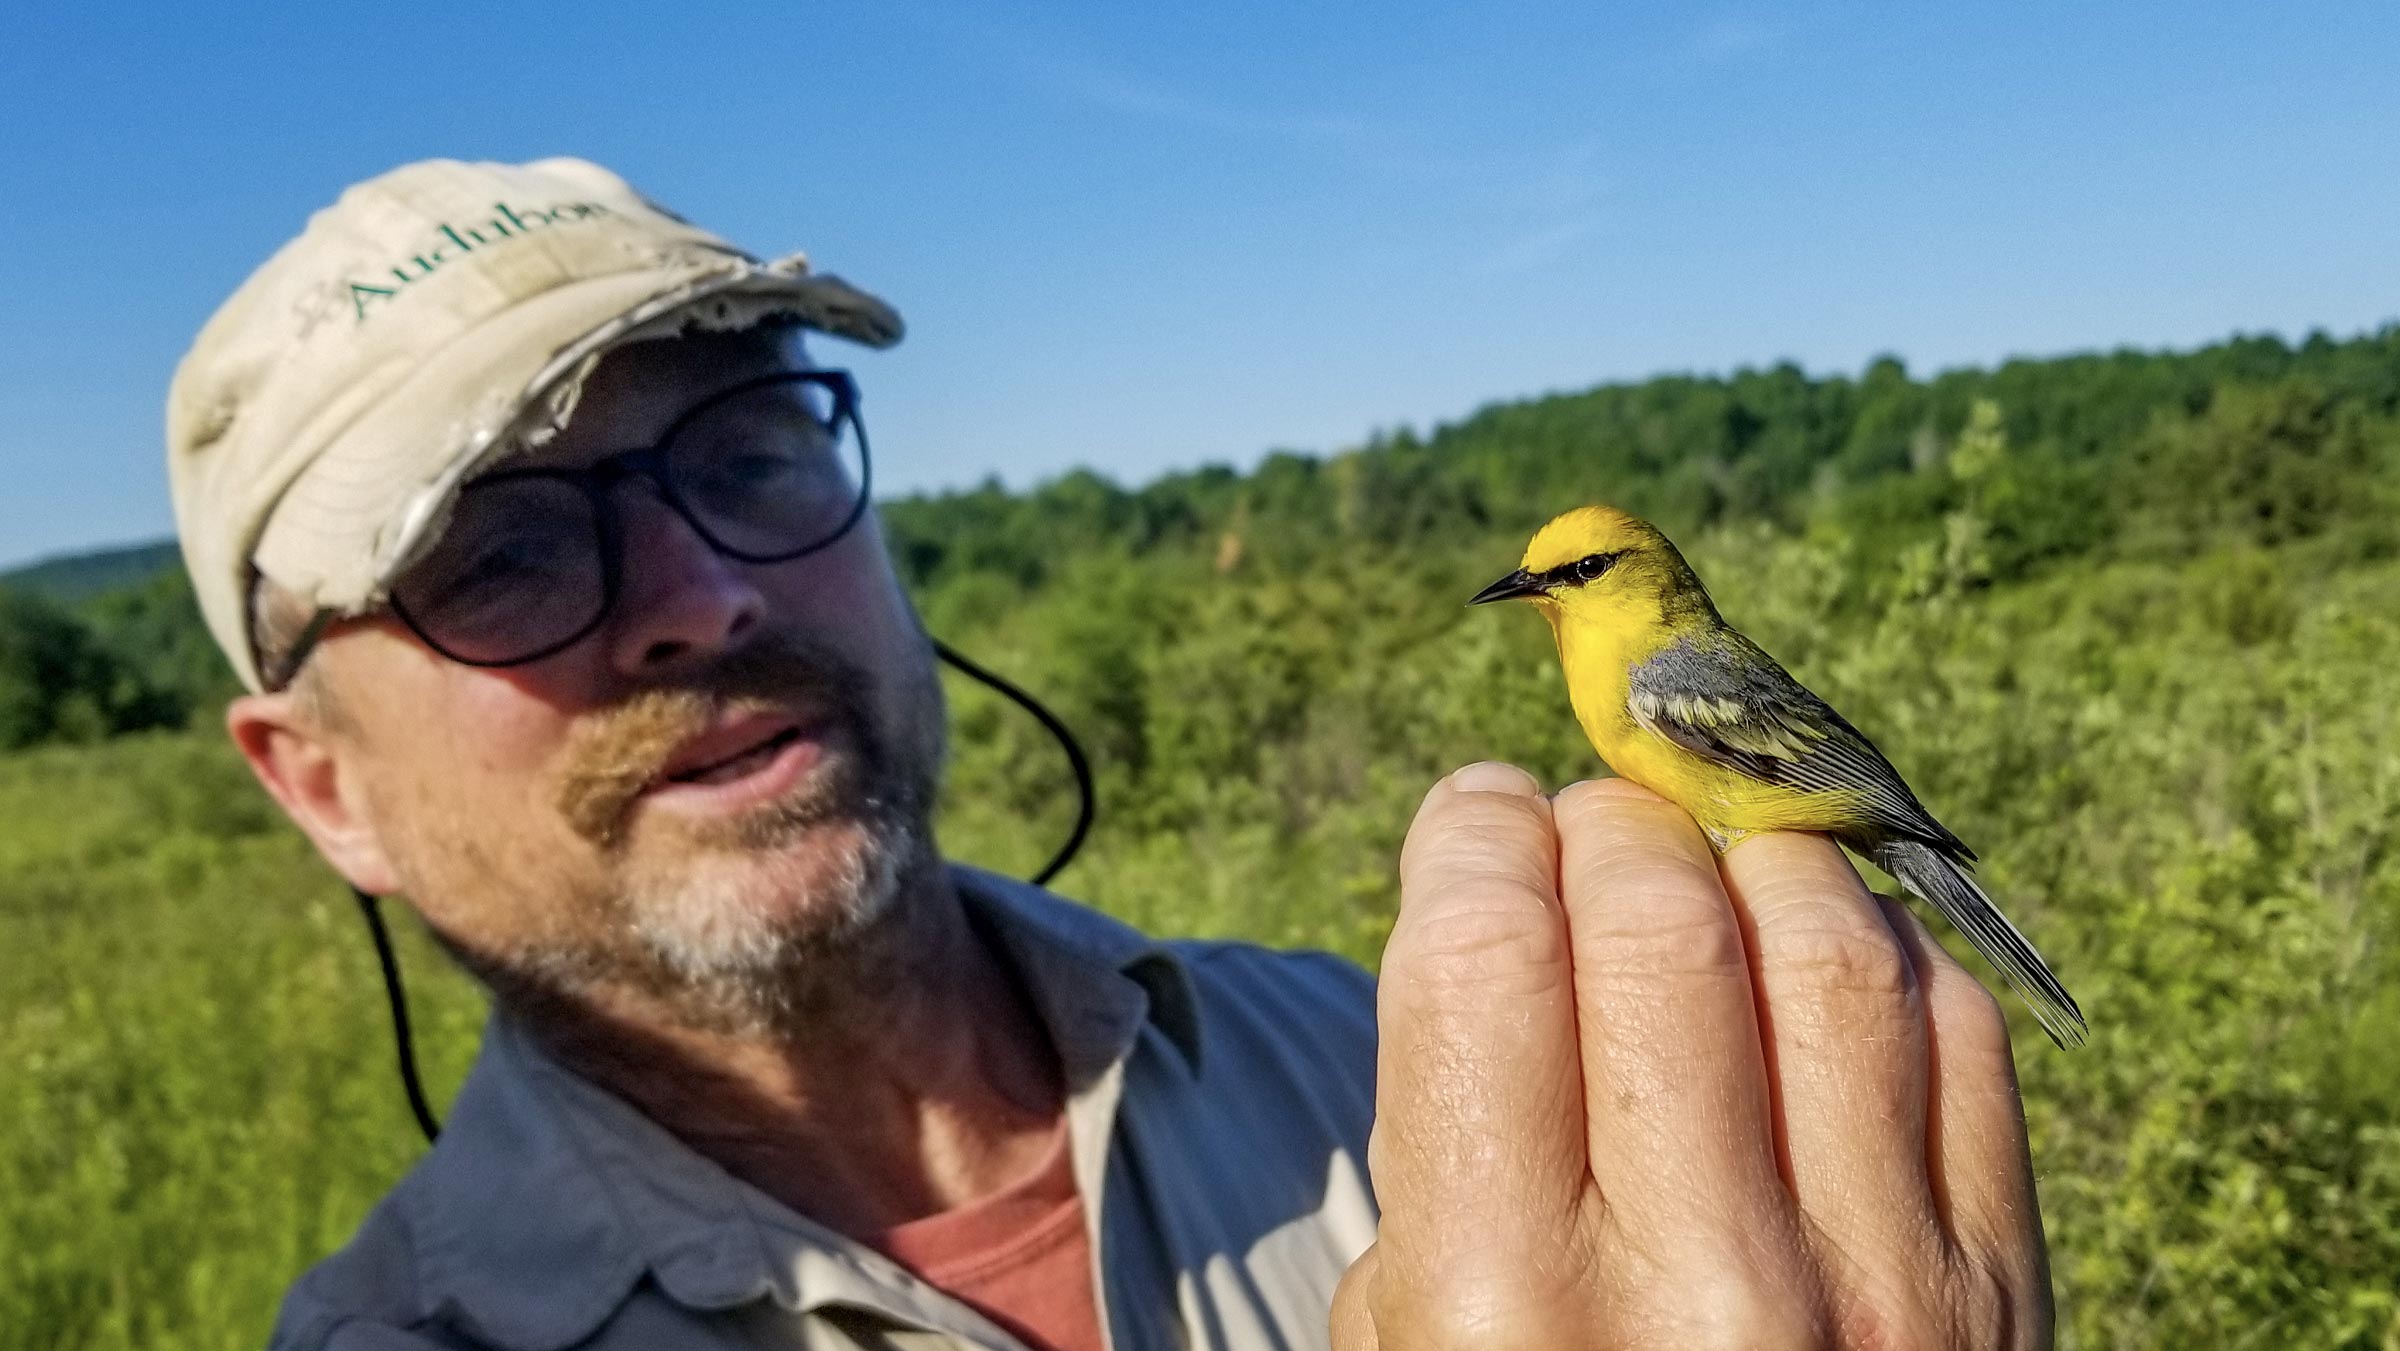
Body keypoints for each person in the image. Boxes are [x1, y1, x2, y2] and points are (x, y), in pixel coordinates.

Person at [169, 157, 2053, 1351]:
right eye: (496, 550)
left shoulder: (1385, 1050)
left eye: (746, 455)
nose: (698, 598)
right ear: (313, 781)